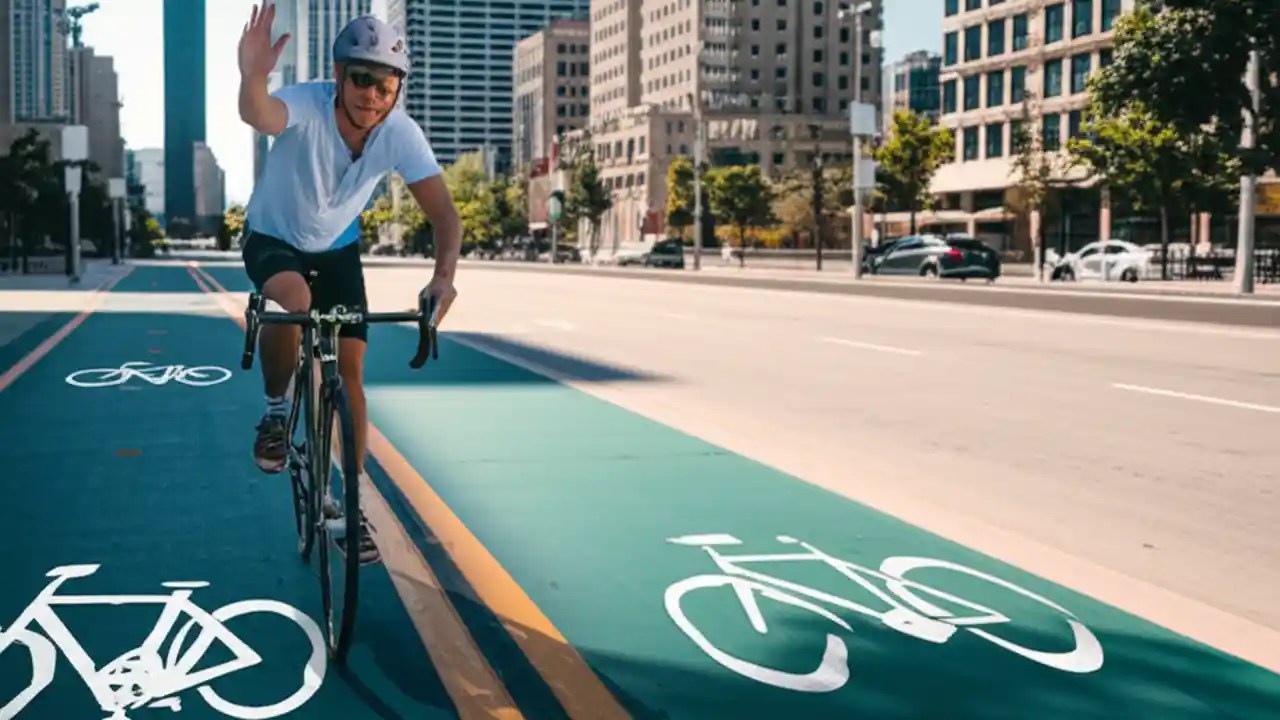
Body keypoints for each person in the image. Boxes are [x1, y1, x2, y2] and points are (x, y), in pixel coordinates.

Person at [236, 3, 461, 564]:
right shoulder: (309, 106)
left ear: (396, 91)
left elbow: (444, 216)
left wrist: (443, 279)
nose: (372, 95)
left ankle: (351, 502)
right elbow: (261, 115)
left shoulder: (400, 135)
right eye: (361, 79)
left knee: (352, 371)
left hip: (337, 250)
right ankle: (272, 412)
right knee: (293, 300)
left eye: (386, 86)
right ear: (338, 76)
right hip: (273, 237)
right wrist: (252, 77)